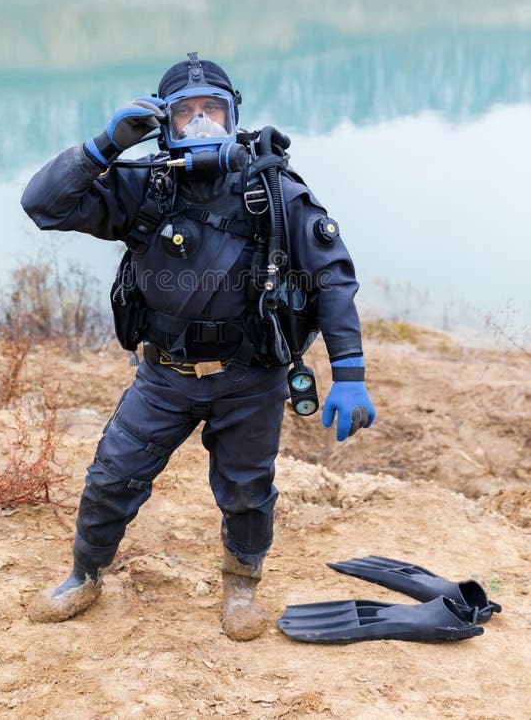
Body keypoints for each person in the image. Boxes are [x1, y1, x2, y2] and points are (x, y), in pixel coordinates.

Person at [21, 52, 376, 641]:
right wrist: (102, 147)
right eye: (187, 112)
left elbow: (333, 278)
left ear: (234, 114)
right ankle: (84, 575)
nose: (203, 122)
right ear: (166, 122)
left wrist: (350, 371)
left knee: (247, 491)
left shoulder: (276, 193)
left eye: (215, 108)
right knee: (112, 476)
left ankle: (241, 585)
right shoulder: (142, 188)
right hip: (162, 376)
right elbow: (44, 205)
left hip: (251, 377)